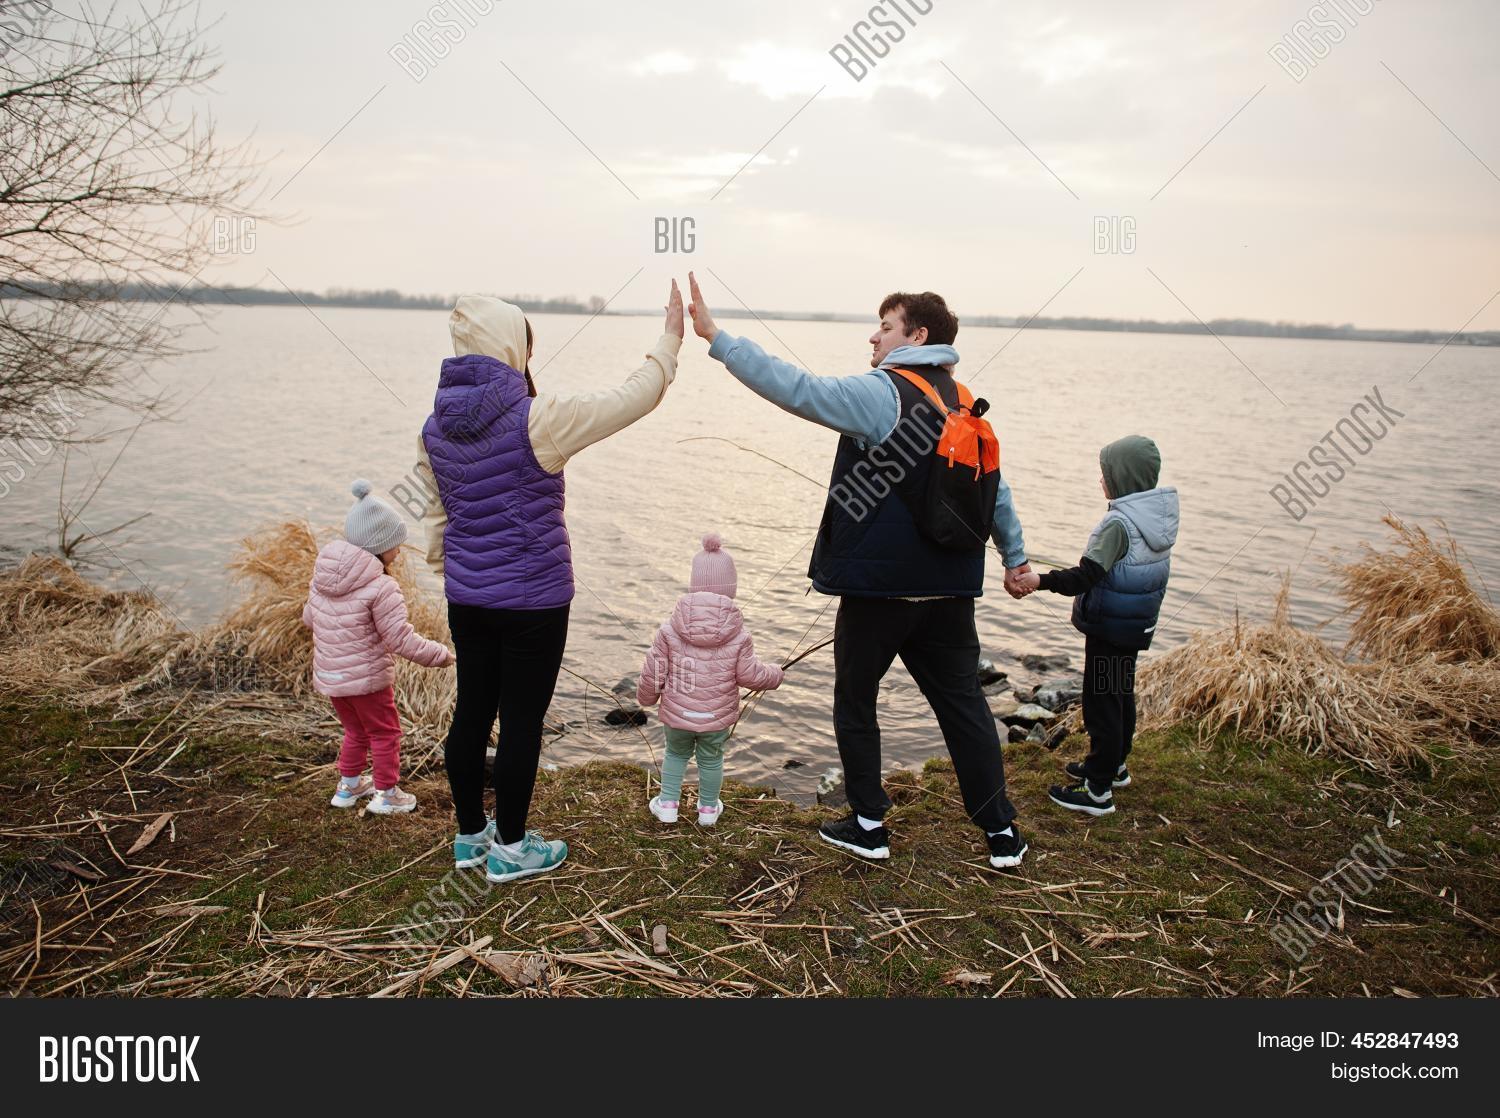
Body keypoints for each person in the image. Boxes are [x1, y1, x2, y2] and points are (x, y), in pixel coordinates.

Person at [686, 272, 1032, 869]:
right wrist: (1016, 559)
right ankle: (1002, 836)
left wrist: (719, 338)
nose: (872, 338)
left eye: (885, 326)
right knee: (965, 707)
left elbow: (800, 389)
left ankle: (869, 825)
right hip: (949, 590)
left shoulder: (886, 392)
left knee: (856, 701)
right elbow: (994, 493)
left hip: (881, 592)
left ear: (915, 335)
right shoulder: (961, 401)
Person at [417, 282, 684, 882]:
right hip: (533, 600)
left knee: (470, 713)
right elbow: (632, 398)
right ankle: (512, 850)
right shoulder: (538, 419)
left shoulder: (434, 427)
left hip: (468, 599)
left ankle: (470, 839)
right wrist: (669, 341)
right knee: (520, 722)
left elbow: (435, 519)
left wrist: (457, 574)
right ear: (511, 347)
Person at [1012, 435, 1179, 816]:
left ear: (1122, 478)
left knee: (1102, 702)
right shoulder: (1156, 516)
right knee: (1120, 695)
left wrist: (1039, 580)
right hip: (1133, 626)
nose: (1101, 479)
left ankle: (1098, 791)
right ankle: (1114, 765)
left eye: (1105, 473)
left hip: (1109, 627)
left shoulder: (1119, 524)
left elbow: (1086, 576)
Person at [303, 480, 454, 815]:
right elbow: (399, 639)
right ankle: (386, 794)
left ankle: (349, 786)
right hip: (367, 679)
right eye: (394, 544)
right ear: (378, 546)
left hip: (332, 676)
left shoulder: (323, 577)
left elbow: (309, 618)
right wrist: (441, 655)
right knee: (386, 732)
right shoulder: (381, 586)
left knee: (355, 730)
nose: (399, 551)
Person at [636, 532, 784, 827]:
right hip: (715, 716)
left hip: (677, 714)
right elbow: (749, 675)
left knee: (675, 754)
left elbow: (654, 672)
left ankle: (667, 805)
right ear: (731, 589)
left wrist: (646, 699)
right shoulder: (739, 635)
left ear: (694, 585)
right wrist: (775, 674)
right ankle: (707, 811)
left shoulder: (669, 629)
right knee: (712, 759)